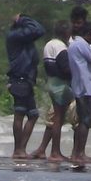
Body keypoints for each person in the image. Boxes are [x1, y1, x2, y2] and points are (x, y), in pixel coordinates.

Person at [4, 12, 47, 158]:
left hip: (26, 80)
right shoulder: (15, 36)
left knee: (32, 115)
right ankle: (19, 150)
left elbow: (37, 30)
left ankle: (20, 149)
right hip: (20, 79)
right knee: (20, 114)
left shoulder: (22, 39)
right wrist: (22, 18)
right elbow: (39, 29)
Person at [31, 19, 73, 162]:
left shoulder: (49, 44)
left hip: (51, 81)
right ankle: (55, 152)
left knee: (54, 117)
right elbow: (66, 68)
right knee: (58, 119)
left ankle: (43, 149)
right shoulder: (61, 46)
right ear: (65, 33)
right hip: (60, 84)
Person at [65, 18, 91, 166]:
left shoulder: (73, 44)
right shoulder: (83, 45)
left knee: (80, 121)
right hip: (86, 87)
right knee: (85, 121)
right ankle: (80, 154)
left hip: (78, 86)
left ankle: (75, 152)